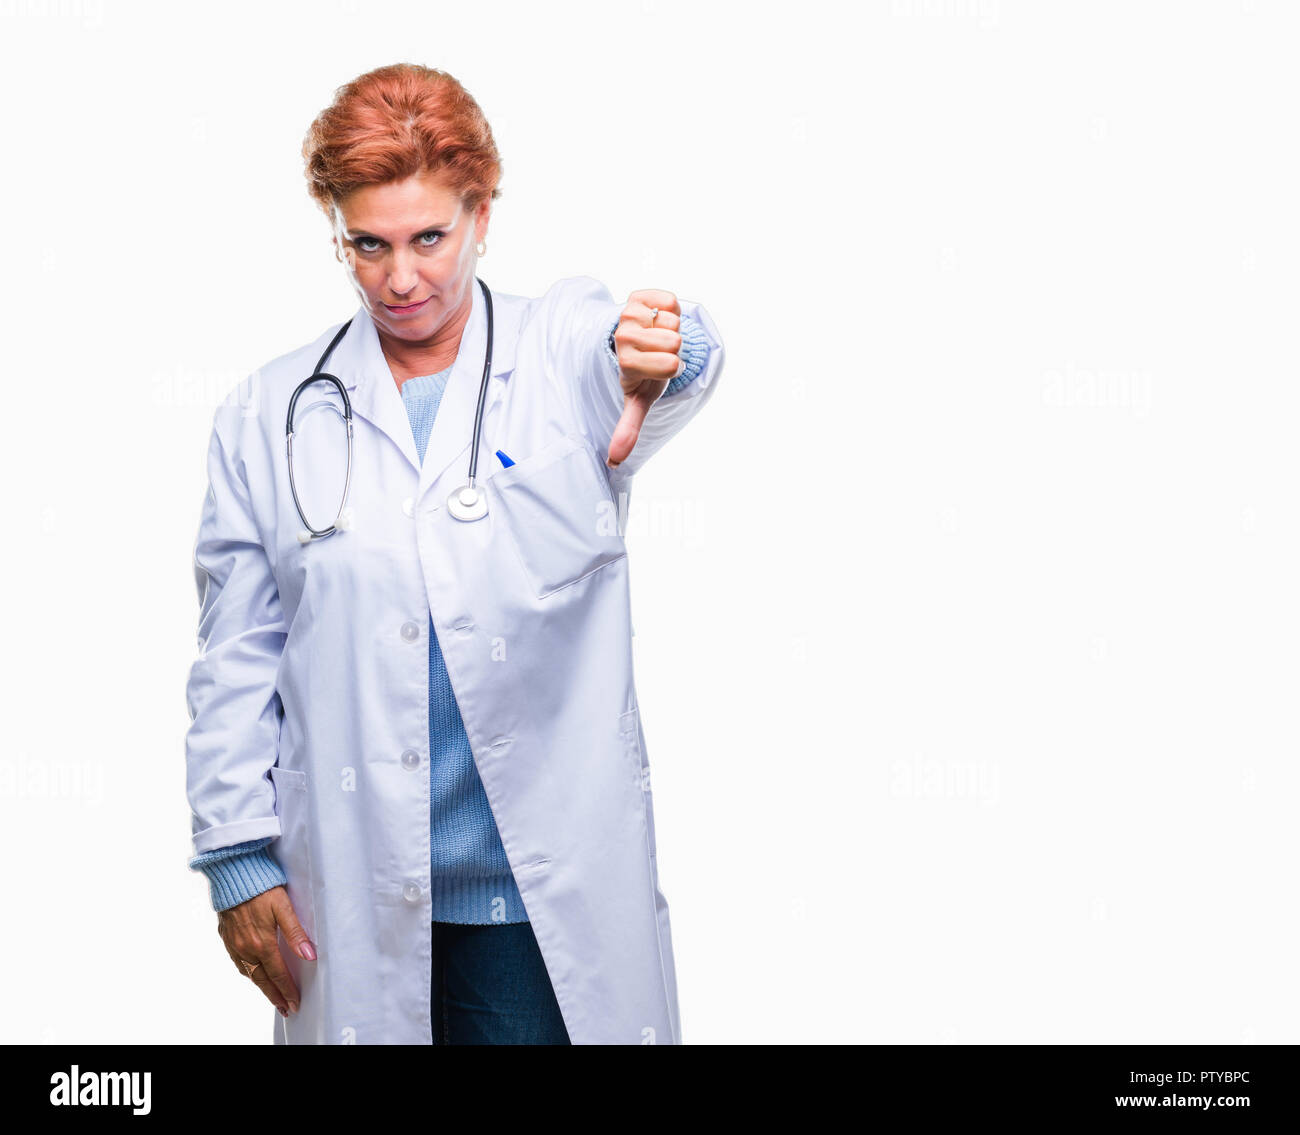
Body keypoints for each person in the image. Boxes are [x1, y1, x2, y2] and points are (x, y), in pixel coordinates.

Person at [184, 63, 724, 1044]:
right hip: (349, 893)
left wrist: (663, 353)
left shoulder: (559, 351)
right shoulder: (269, 412)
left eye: (430, 237)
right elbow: (236, 654)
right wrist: (236, 859)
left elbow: (653, 365)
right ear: (335, 229)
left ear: (482, 214)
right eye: (369, 244)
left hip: (532, 910)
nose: (401, 277)